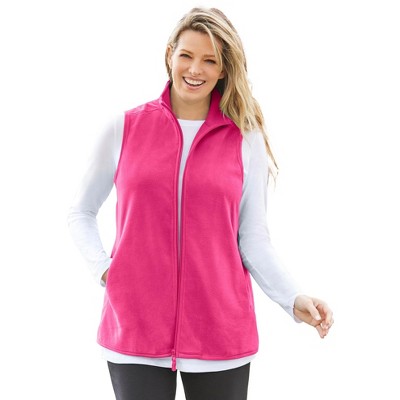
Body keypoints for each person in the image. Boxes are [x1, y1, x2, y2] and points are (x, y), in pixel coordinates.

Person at [68, 7, 333, 400]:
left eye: (210, 60)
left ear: (224, 69)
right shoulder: (124, 128)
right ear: (170, 55)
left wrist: (293, 298)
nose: (195, 69)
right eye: (187, 55)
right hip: (135, 327)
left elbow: (253, 238)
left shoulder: (245, 139)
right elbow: (81, 212)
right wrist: (106, 270)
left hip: (220, 330)